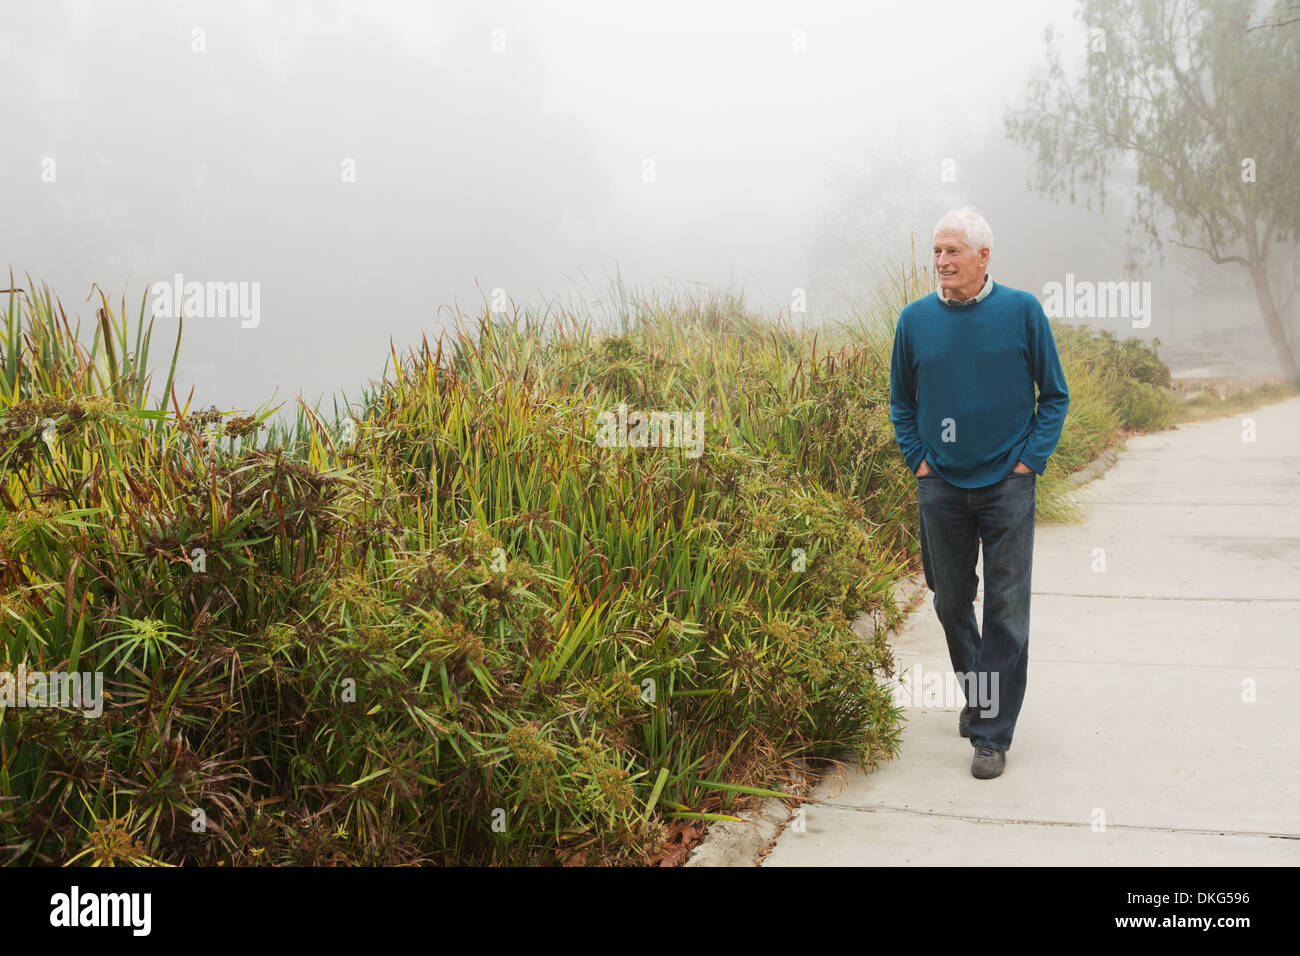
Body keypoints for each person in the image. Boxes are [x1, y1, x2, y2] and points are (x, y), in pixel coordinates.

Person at [888, 207, 1070, 779]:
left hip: (1007, 488)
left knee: (1006, 611)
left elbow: (1055, 396)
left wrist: (1027, 462)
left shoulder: (1021, 312)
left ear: (983, 256)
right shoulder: (914, 320)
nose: (941, 262)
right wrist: (919, 460)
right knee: (948, 600)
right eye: (937, 252)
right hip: (940, 484)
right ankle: (981, 691)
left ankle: (991, 733)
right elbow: (902, 401)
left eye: (953, 252)